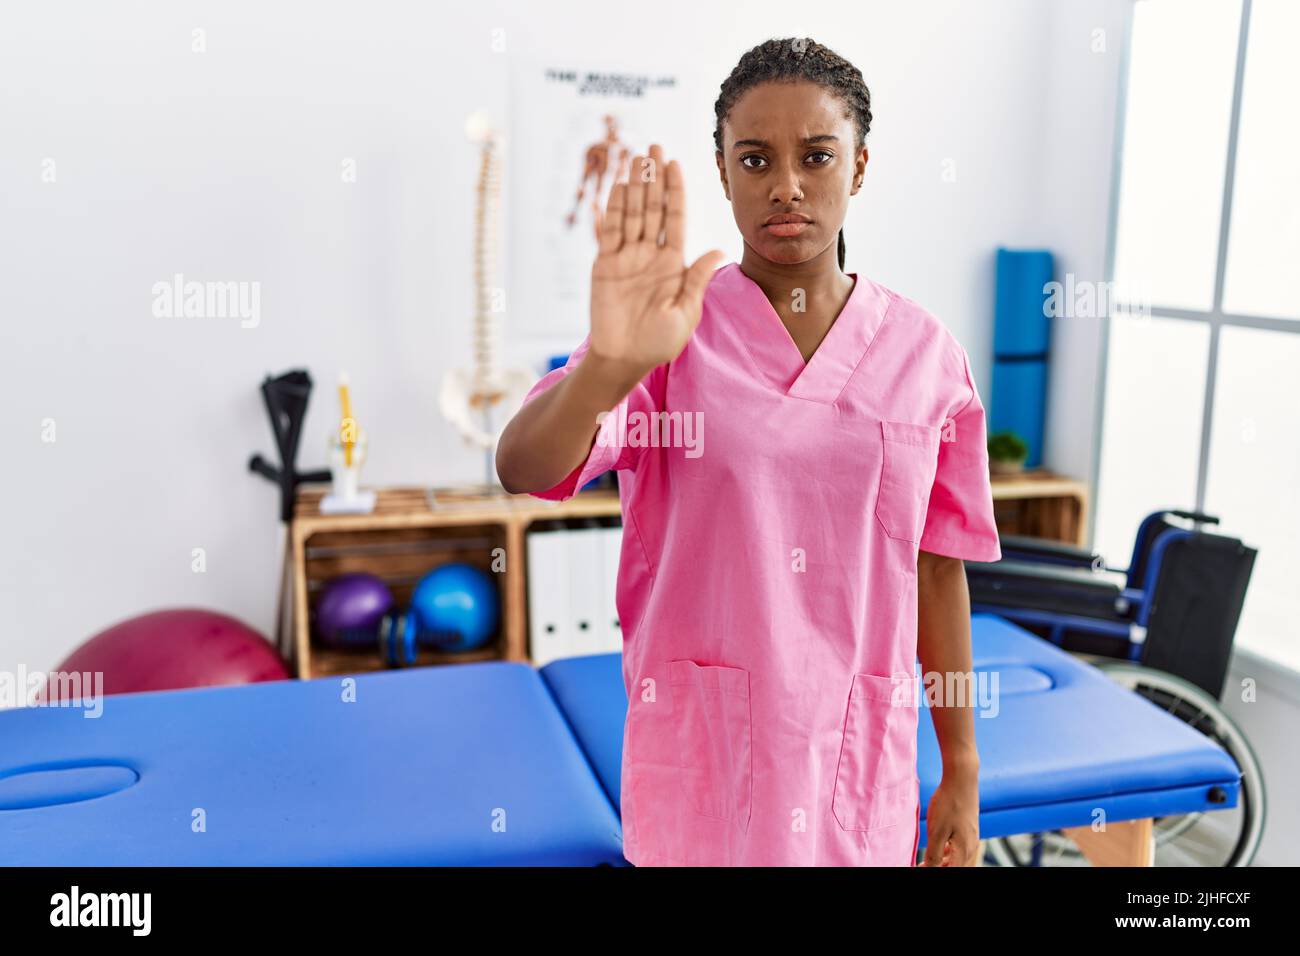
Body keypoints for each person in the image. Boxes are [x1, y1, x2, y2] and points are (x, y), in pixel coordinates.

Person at [496, 37, 1001, 867]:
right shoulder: (668, 333)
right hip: (704, 761)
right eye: (757, 158)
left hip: (856, 762)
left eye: (818, 156)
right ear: (723, 171)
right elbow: (523, 466)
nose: (787, 186)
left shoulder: (926, 356)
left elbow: (939, 569)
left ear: (861, 167)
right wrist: (608, 373)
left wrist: (964, 769)